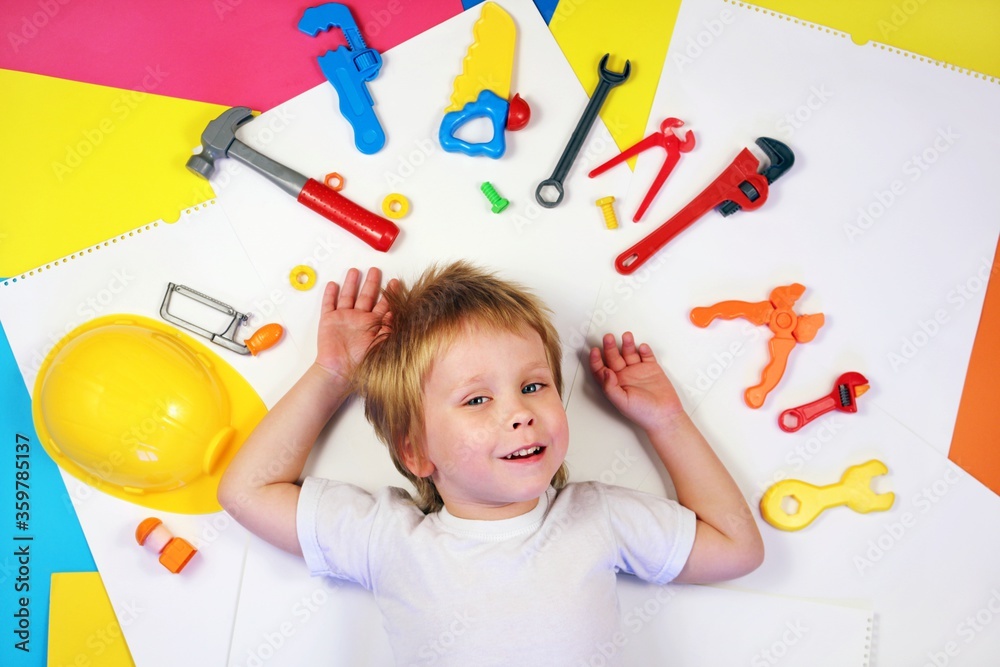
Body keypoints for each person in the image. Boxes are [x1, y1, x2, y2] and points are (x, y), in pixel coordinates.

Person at [218, 262, 763, 665]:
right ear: (415, 451)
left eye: (533, 386)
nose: (520, 413)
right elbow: (245, 492)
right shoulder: (387, 538)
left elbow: (736, 548)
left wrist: (667, 421)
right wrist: (334, 373)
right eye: (477, 399)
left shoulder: (597, 516)